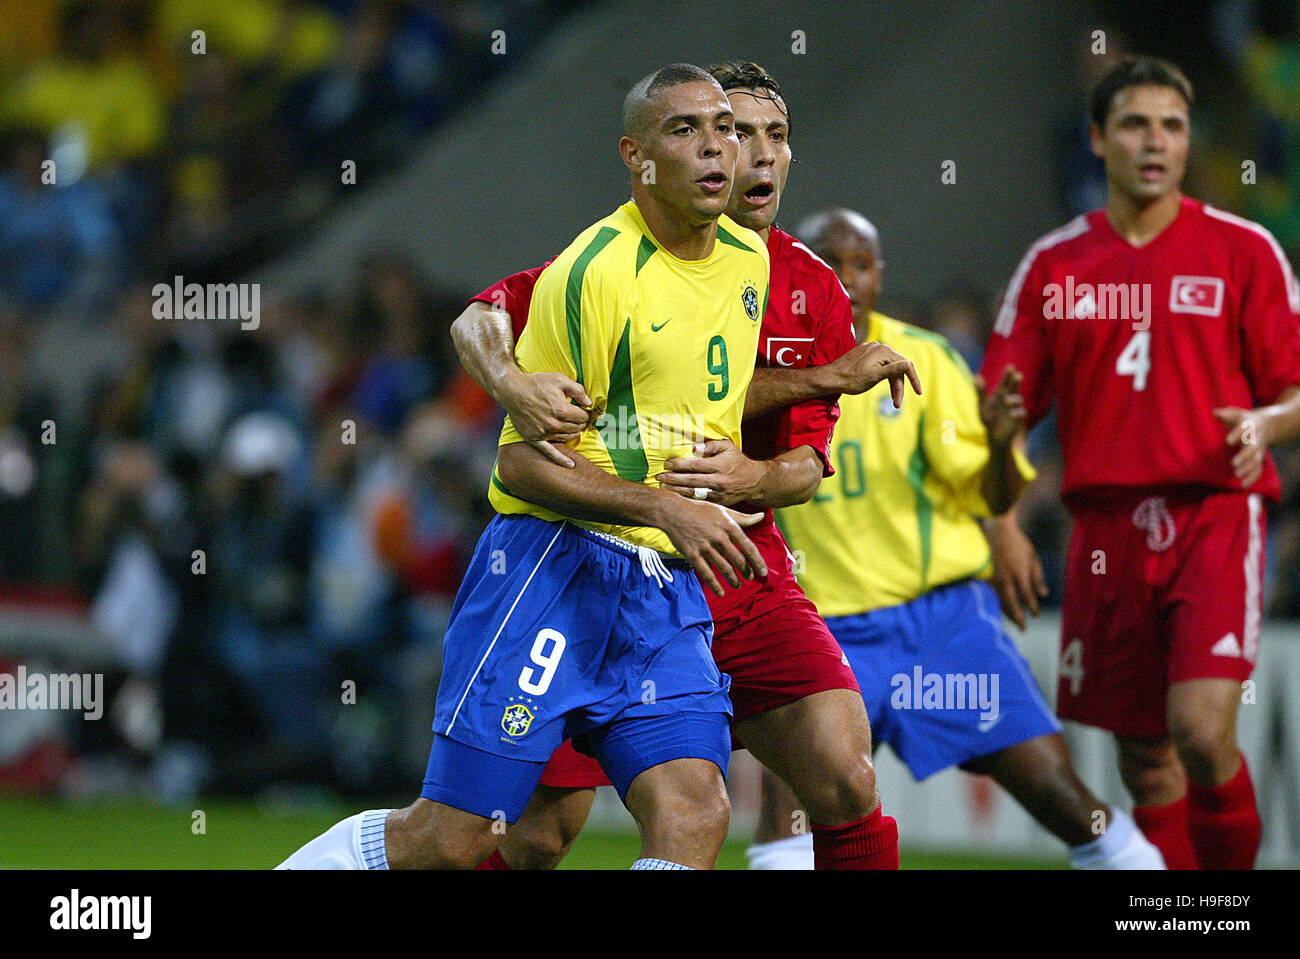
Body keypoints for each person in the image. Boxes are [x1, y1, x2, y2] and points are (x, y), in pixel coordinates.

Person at [279, 62, 777, 870]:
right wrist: (664, 507)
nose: (718, 147)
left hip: (664, 591)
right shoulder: (597, 272)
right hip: (553, 571)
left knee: (695, 813)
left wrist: (745, 469)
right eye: (685, 130)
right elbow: (517, 464)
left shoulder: (746, 263)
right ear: (636, 155)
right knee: (451, 839)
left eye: (726, 126)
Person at [452, 61, 918, 870]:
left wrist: (755, 479)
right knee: (528, 835)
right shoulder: (613, 261)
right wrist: (510, 382)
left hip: (740, 563)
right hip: (603, 559)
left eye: (769, 136)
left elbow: (808, 464)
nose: (750, 155)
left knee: (842, 776)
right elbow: (480, 318)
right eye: (728, 133)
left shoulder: (808, 286)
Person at [744, 207, 1164, 869]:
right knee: (790, 819)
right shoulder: (760, 373)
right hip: (823, 631)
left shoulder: (926, 360)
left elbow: (989, 492)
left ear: (880, 273)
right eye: (829, 262)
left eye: (862, 263)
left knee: (1064, 799)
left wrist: (999, 454)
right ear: (795, 273)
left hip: (939, 622)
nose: (847, 280)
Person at [982, 57, 1300, 870]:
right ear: (1097, 138)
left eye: (1172, 125)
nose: (1155, 142)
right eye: (1134, 123)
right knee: (1146, 759)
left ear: (1189, 140)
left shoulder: (1243, 250)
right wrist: (1003, 514)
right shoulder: (1055, 266)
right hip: (1105, 532)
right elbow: (1004, 416)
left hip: (1213, 516)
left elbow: (1294, 389)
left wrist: (1263, 424)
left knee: (1199, 730)